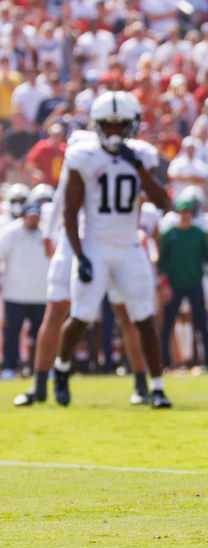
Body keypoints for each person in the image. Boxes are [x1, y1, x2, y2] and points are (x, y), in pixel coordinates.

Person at [13, 130, 154, 407]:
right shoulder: (74, 173)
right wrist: (50, 235)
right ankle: (40, 384)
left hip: (104, 244)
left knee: (125, 314)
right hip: (71, 245)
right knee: (55, 312)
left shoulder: (108, 170)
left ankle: (142, 383)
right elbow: (61, 205)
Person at [51, 91, 172, 408]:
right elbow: (70, 211)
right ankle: (62, 369)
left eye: (122, 125)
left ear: (133, 125)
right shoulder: (84, 156)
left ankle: (157, 387)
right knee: (82, 316)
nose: (116, 131)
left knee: (144, 317)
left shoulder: (143, 155)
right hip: (95, 245)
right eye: (109, 124)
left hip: (130, 245)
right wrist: (80, 255)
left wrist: (139, 169)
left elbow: (163, 202)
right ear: (97, 124)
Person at [158, 194, 208, 370]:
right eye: (182, 211)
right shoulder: (169, 235)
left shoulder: (199, 234)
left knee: (202, 323)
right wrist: (165, 286)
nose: (185, 215)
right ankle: (165, 361)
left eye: (188, 212)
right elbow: (162, 263)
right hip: (174, 285)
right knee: (168, 324)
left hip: (194, 283)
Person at [0, 203, 48, 379]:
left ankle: (40, 369)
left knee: (41, 334)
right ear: (24, 216)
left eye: (36, 216)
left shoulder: (46, 234)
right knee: (12, 333)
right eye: (30, 216)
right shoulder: (10, 233)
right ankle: (9, 368)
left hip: (41, 295)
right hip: (15, 294)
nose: (33, 219)